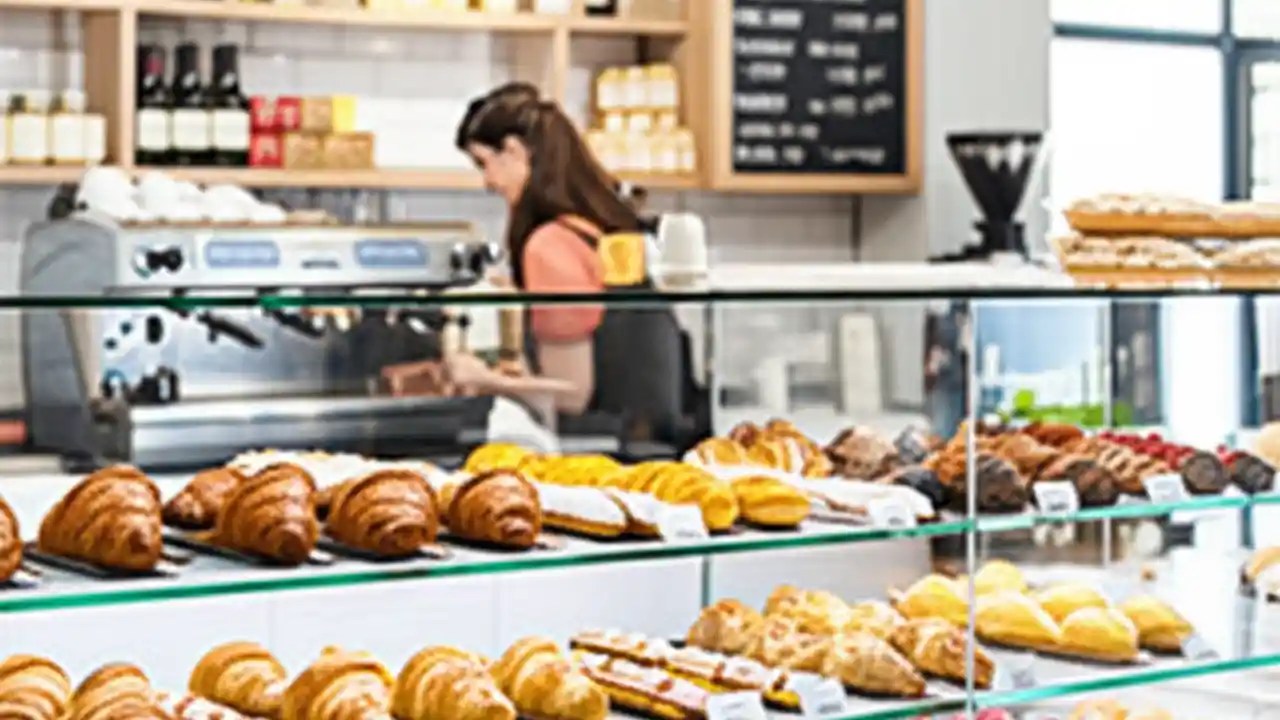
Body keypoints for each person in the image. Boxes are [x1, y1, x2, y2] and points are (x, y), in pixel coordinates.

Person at [384, 83, 693, 448]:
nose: (487, 182)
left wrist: (482, 378)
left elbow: (571, 395)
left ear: (514, 151)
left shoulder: (549, 245)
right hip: (655, 448)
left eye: (484, 163)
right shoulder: (593, 228)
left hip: (607, 458)